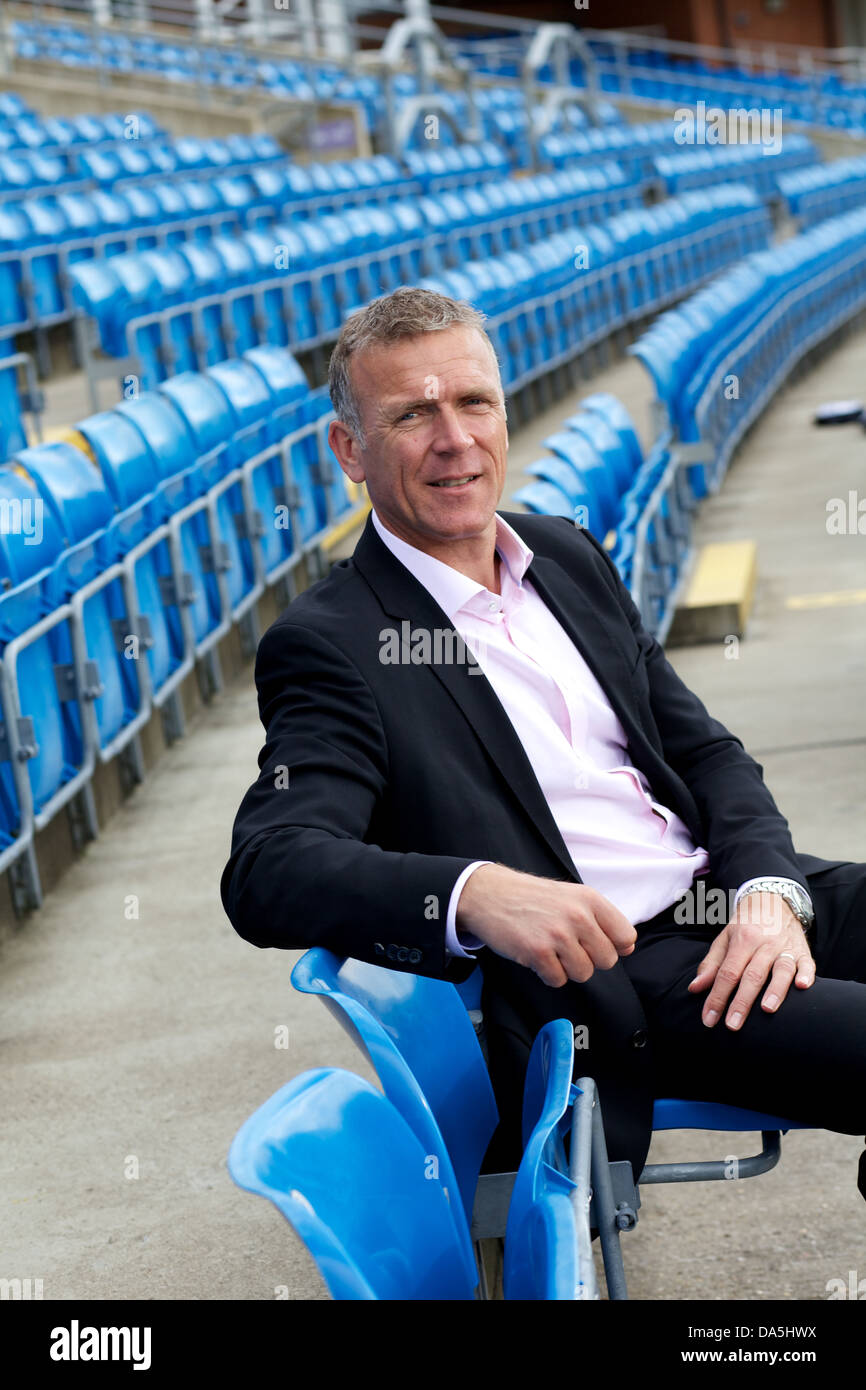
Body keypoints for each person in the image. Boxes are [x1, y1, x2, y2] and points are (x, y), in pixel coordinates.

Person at [221, 287, 866, 1196]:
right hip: (623, 976)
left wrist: (766, 889)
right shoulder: (333, 644)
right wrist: (474, 892)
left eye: (473, 402)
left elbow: (709, 755)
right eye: (412, 415)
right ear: (349, 451)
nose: (455, 439)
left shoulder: (562, 554)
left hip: (729, 899)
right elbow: (268, 867)